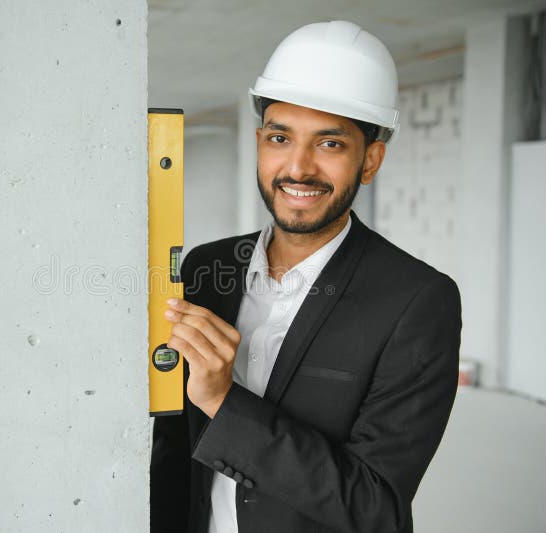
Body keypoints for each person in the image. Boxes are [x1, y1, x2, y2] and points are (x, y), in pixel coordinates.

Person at [151, 20, 462, 533]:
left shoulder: (418, 300)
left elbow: (375, 507)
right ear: (259, 143)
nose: (298, 167)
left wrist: (223, 402)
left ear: (371, 160)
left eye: (330, 144)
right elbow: (172, 451)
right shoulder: (206, 268)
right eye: (280, 137)